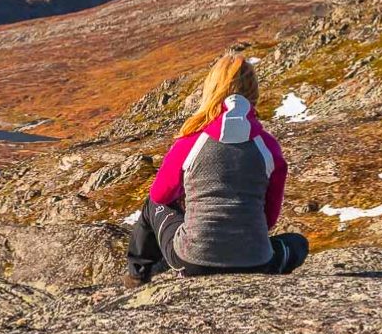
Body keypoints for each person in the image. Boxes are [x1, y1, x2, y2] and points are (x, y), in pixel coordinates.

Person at [126, 52, 308, 285]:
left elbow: (159, 195)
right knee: (297, 243)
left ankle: (137, 275)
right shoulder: (268, 147)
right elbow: (269, 220)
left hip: (194, 261)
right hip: (257, 262)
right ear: (254, 92)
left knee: (152, 205)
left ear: (211, 90)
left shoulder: (192, 140)